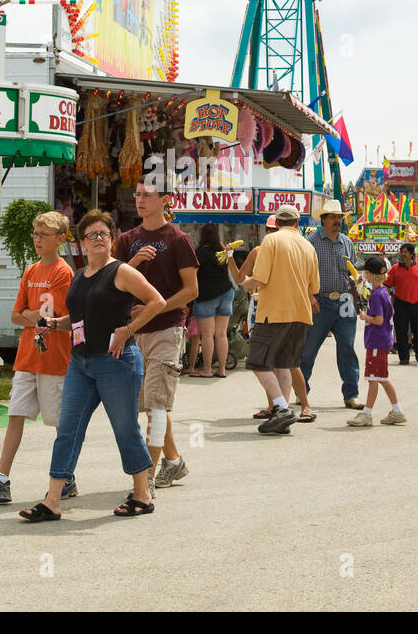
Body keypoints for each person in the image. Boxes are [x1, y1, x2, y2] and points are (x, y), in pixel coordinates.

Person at [18, 210, 166, 521]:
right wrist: (55, 323)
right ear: (81, 242)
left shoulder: (122, 272)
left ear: (112, 240)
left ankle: (142, 493)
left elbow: (157, 302)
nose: (97, 239)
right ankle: (53, 500)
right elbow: (79, 319)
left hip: (116, 363)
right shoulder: (81, 275)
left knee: (125, 428)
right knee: (68, 431)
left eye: (103, 234)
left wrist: (128, 330)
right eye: (91, 235)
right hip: (81, 363)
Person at [0, 211, 74, 502]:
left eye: (44, 235)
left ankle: (66, 476)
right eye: (35, 234)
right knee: (15, 414)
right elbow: (17, 316)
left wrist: (34, 317)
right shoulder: (31, 271)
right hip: (27, 357)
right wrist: (34, 317)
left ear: (61, 239)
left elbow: (53, 316)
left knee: (59, 422)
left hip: (54, 359)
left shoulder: (63, 273)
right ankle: (1, 478)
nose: (37, 239)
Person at [114, 182, 199, 490]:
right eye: (136, 194)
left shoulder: (179, 239)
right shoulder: (127, 240)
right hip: (134, 331)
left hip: (167, 328)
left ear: (165, 200)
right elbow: (113, 282)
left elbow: (191, 290)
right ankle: (174, 461)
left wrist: (156, 307)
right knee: (150, 404)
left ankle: (147, 476)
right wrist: (133, 264)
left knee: (157, 405)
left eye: (146, 195)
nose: (139, 200)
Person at [242, 205, 319, 434]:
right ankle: (281, 414)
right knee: (284, 363)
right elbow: (314, 287)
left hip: (274, 312)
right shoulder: (308, 246)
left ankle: (282, 408)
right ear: (297, 223)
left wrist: (246, 283)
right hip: (300, 313)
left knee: (257, 360)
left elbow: (261, 279)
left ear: (277, 224)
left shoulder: (272, 241)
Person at [300, 199, 362, 408]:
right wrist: (309, 297)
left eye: (339, 217)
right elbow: (302, 274)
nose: (337, 221)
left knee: (347, 349)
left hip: (344, 300)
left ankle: (351, 395)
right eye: (334, 217)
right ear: (323, 220)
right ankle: (302, 393)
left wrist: (358, 296)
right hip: (319, 301)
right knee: (308, 351)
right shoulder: (310, 242)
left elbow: (352, 275)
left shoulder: (347, 243)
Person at [348, 257, 404, 426]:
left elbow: (378, 320)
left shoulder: (376, 295)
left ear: (369, 274)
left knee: (373, 378)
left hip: (376, 341)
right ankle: (397, 411)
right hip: (382, 339)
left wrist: (366, 317)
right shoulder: (383, 292)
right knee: (382, 377)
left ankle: (367, 413)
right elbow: (391, 311)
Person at [191, 222, 234, 378]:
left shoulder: (199, 253)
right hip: (226, 292)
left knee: (207, 335)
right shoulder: (222, 251)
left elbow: (193, 276)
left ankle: (207, 369)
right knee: (221, 334)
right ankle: (222, 369)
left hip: (207, 295)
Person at [384, 242, 418, 365]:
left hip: (416, 302)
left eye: (405, 252)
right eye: (401, 252)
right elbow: (387, 285)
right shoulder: (394, 268)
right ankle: (404, 357)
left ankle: (417, 348)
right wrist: (385, 299)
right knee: (401, 330)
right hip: (400, 303)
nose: (402, 255)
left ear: (412, 255)